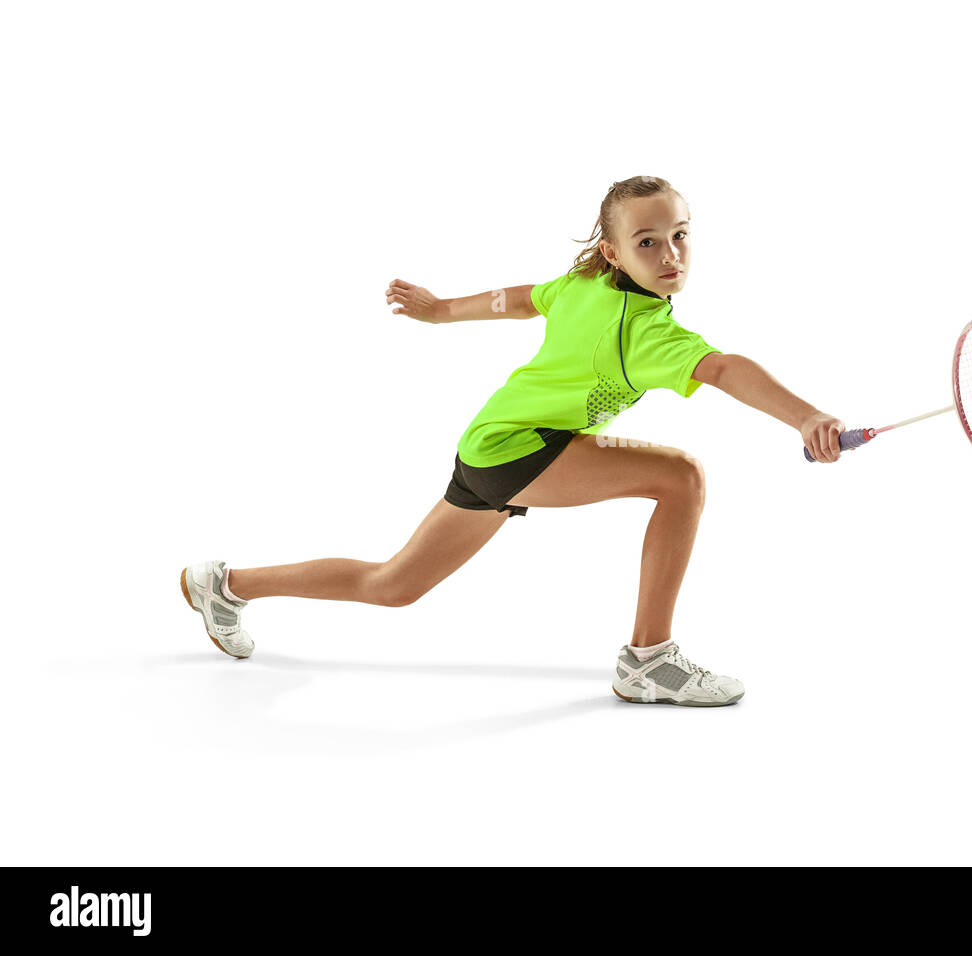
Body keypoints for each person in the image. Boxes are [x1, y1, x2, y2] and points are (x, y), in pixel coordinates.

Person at [180, 176, 847, 706]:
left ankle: (225, 585)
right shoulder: (645, 332)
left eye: (680, 235)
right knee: (682, 478)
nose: (670, 255)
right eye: (648, 242)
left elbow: (527, 296)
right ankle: (650, 661)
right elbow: (725, 368)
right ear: (613, 252)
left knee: (393, 585)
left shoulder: (586, 283)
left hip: (488, 445)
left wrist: (443, 311)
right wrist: (805, 416)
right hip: (520, 448)